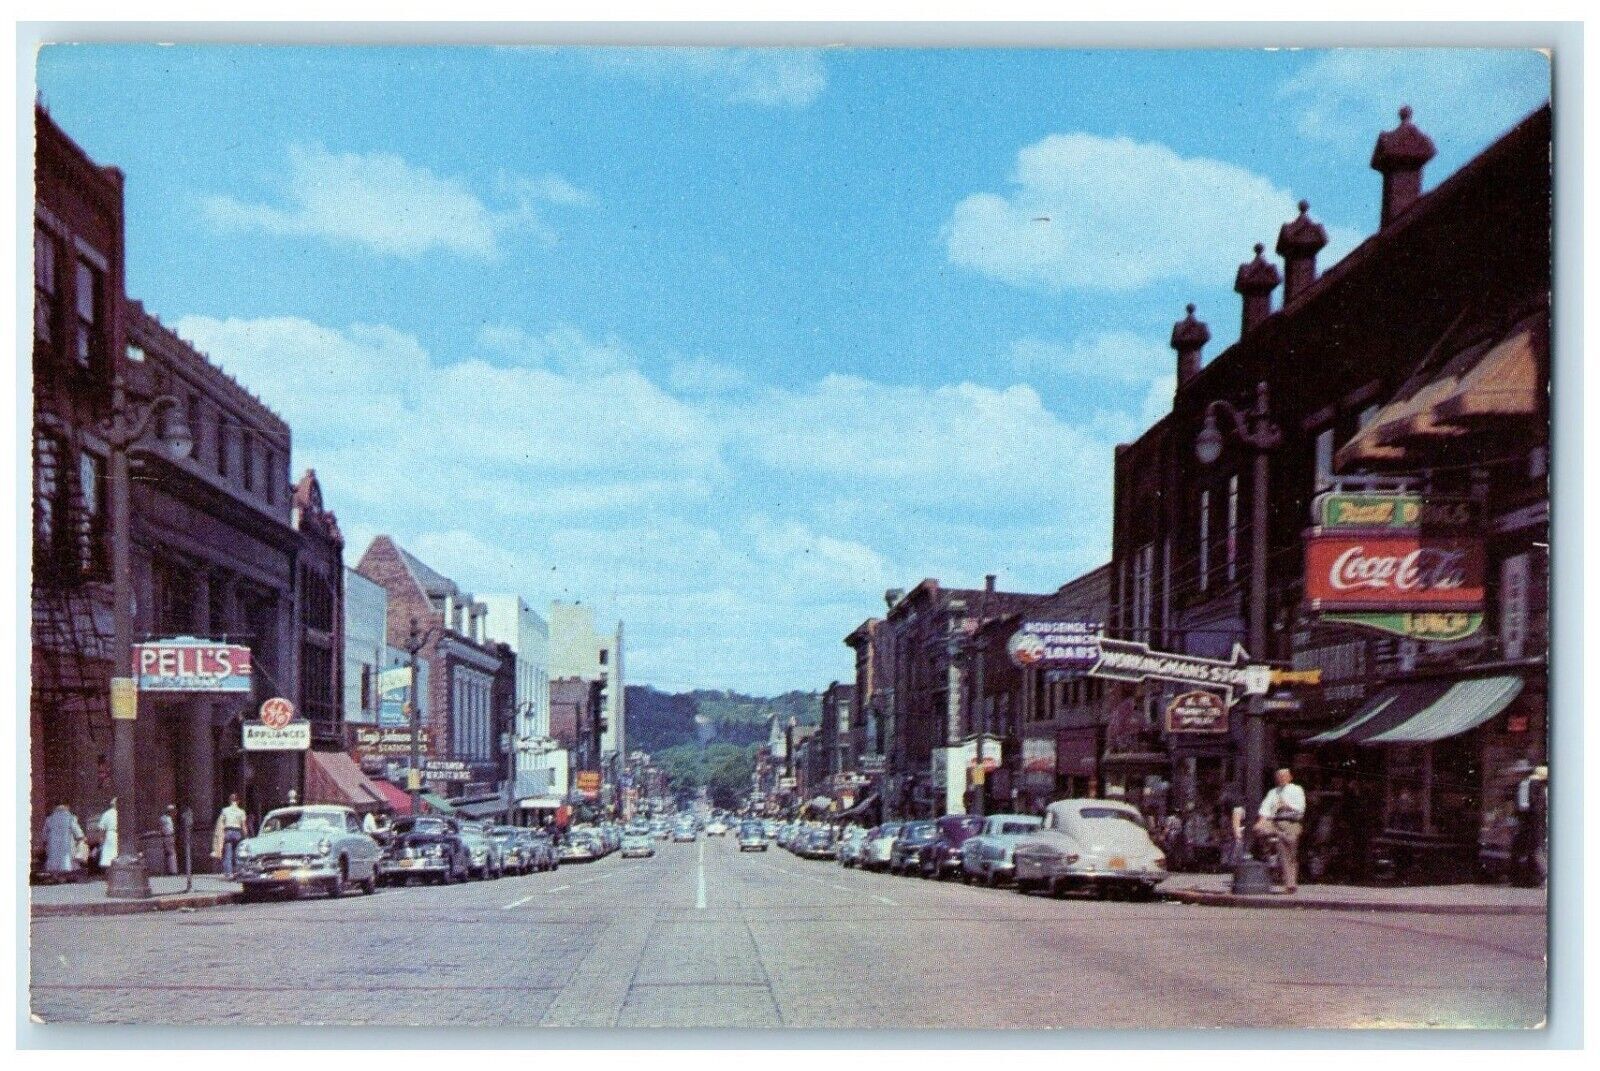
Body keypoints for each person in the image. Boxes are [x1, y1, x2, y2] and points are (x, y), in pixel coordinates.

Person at [1257, 768, 1307, 893]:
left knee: (1288, 851)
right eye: (1279, 776)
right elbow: (1265, 810)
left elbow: (1300, 809)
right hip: (1275, 822)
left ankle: (1290, 883)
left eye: (1284, 776)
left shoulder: (1296, 790)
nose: (1281, 778)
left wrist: (1286, 805)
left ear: (1290, 777)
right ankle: (1270, 857)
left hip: (1290, 822)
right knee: (1260, 830)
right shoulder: (1273, 792)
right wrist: (1260, 822)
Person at [1512, 763, 1548, 887]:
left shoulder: (1528, 784)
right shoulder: (1538, 786)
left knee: (1533, 849)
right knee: (1535, 849)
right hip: (1537, 821)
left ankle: (1541, 877)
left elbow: (1524, 806)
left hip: (1531, 822)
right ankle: (1537, 878)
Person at [42, 804, 85, 881]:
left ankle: (56, 876)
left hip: (53, 843)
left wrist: (45, 841)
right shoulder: (70, 818)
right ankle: (65, 876)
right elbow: (76, 829)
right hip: (66, 842)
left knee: (54, 858)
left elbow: (45, 832)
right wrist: (80, 836)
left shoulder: (50, 819)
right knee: (66, 859)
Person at [213, 794, 249, 879]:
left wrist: (220, 835)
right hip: (237, 832)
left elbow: (221, 823)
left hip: (228, 832)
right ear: (238, 801)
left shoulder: (225, 810)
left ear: (230, 801)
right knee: (237, 853)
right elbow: (243, 825)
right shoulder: (241, 812)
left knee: (228, 854)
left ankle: (228, 873)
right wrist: (246, 835)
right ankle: (238, 871)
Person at [96, 798, 119, 872]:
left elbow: (101, 828)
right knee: (116, 853)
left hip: (109, 834)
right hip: (117, 834)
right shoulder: (121, 813)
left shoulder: (106, 814)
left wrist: (101, 838)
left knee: (109, 854)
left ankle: (109, 872)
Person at [159, 805, 179, 876]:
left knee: (171, 854)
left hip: (169, 836)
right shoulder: (165, 818)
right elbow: (165, 829)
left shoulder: (168, 818)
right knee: (170, 854)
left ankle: (172, 870)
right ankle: (172, 871)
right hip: (167, 837)